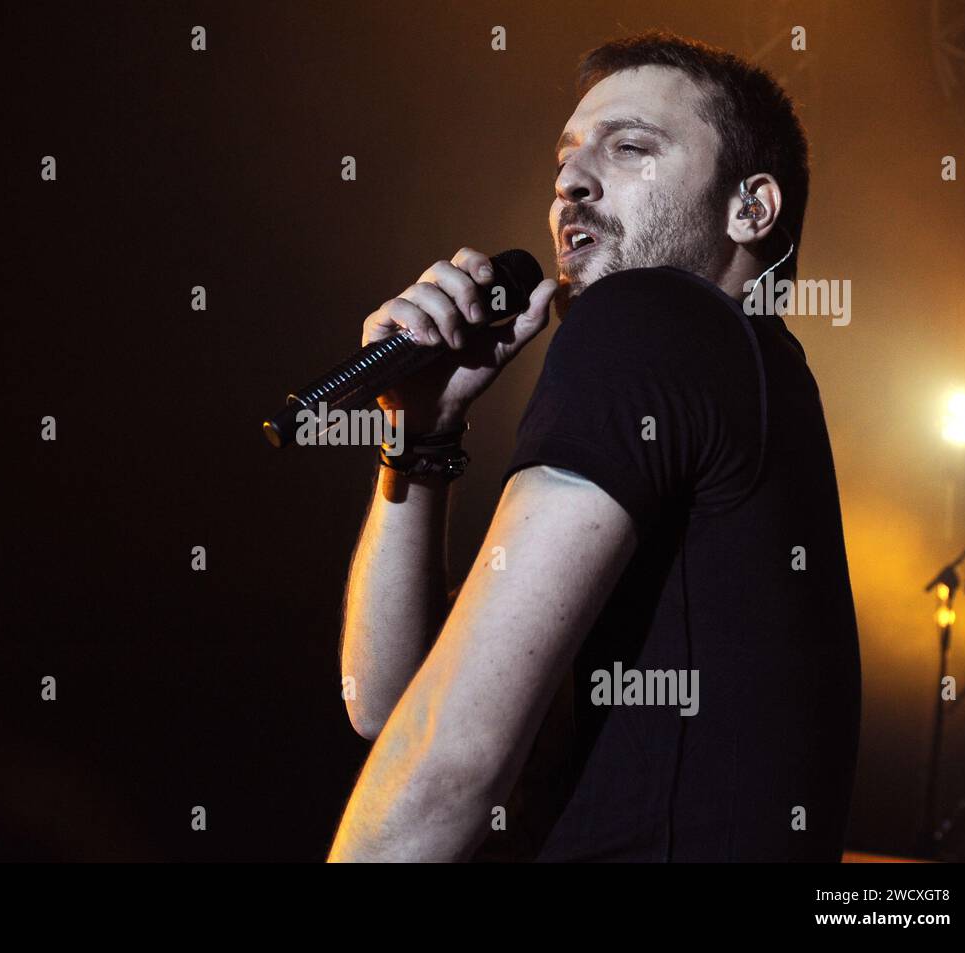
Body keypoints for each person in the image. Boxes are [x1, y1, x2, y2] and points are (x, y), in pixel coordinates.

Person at [329, 30, 861, 862]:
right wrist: (420, 433)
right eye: (566, 161)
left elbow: (445, 768)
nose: (572, 182)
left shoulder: (652, 315)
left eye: (631, 148)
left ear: (750, 208)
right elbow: (392, 705)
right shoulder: (759, 377)